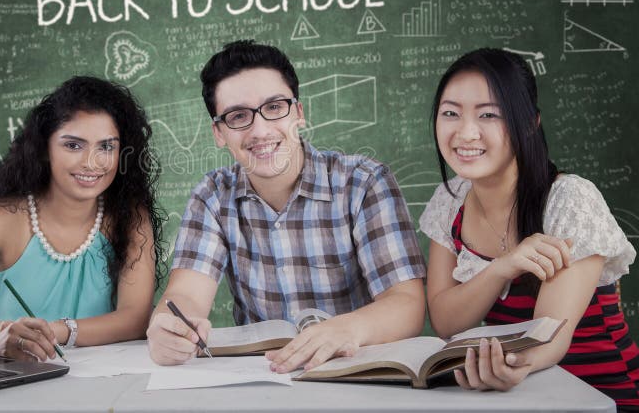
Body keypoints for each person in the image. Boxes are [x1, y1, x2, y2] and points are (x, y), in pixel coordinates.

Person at [147, 40, 426, 373]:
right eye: (238, 116)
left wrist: (345, 329)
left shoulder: (364, 182)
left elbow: (407, 304)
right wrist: (168, 327)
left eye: (275, 107)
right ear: (219, 133)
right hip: (263, 379)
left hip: (358, 371)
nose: (261, 130)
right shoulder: (212, 196)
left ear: (299, 112)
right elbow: (186, 296)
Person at [419, 48, 639, 409]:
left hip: (602, 394)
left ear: (529, 123)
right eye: (450, 113)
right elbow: (446, 321)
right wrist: (504, 266)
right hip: (517, 397)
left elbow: (549, 339)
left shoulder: (568, 200)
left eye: (489, 114)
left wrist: (511, 367)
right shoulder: (450, 200)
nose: (466, 132)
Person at [0, 76, 166, 361]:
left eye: (106, 147)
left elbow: (136, 319)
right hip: (8, 387)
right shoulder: (0, 218)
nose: (91, 162)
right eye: (73, 146)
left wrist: (57, 331)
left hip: (100, 388)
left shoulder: (129, 215)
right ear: (44, 148)